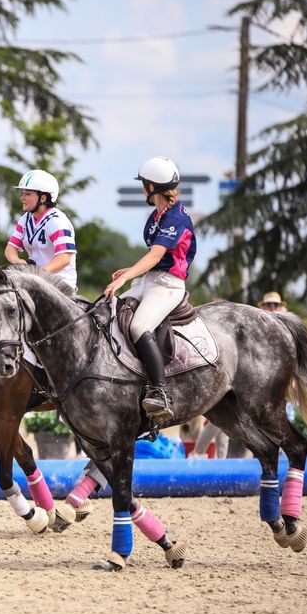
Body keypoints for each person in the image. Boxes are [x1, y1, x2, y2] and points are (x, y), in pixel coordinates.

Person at [104, 156, 196, 421]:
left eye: (145, 184)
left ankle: (160, 391)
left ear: (153, 187)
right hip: (150, 280)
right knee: (108, 312)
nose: (143, 188)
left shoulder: (176, 217)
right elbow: (153, 260)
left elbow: (156, 256)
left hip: (168, 284)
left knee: (138, 326)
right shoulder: (158, 215)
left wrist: (125, 278)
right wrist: (130, 271)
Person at [4, 169, 78, 291]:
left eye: (27, 194)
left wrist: (37, 274)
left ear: (43, 198)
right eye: (22, 193)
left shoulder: (57, 221)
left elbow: (64, 258)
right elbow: (10, 248)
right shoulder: (25, 219)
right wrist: (17, 261)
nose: (22, 198)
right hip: (35, 283)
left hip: (60, 288)